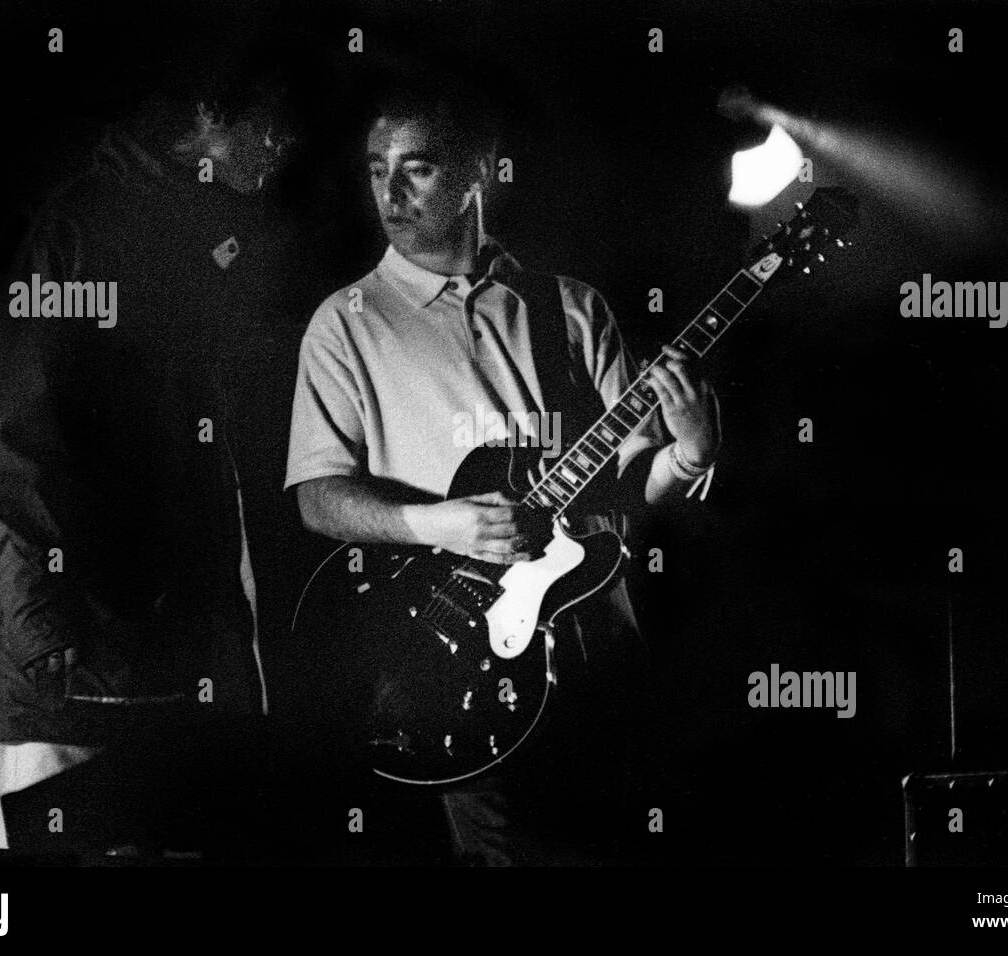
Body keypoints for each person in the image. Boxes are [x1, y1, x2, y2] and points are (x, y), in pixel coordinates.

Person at [285, 80, 721, 865]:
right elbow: (318, 498)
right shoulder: (344, 323)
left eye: (415, 168)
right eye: (376, 167)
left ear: (478, 171)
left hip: (598, 659)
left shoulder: (569, 307)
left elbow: (629, 486)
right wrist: (439, 524)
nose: (390, 190)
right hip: (464, 666)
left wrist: (690, 451)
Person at [0, 85, 301, 855]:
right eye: (272, 122)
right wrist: (43, 626)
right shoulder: (77, 225)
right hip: (71, 673)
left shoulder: (192, 231)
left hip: (157, 659)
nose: (285, 145)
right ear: (209, 113)